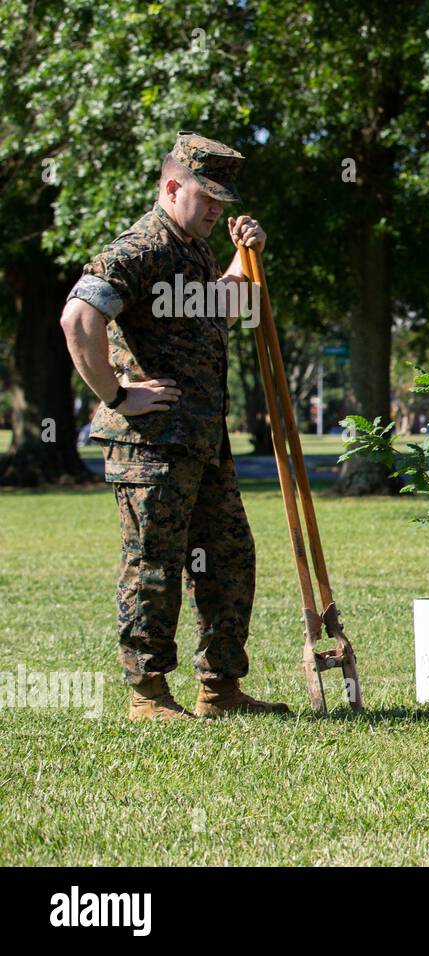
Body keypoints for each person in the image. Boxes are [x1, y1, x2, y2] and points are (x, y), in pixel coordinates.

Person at [59, 131, 288, 720]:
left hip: (203, 442)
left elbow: (224, 309)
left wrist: (247, 256)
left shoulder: (192, 250)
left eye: (222, 201)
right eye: (205, 197)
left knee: (229, 557)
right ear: (170, 186)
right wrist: (115, 393)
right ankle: (149, 693)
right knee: (155, 563)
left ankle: (221, 689)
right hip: (151, 446)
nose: (216, 209)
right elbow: (77, 317)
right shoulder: (136, 250)